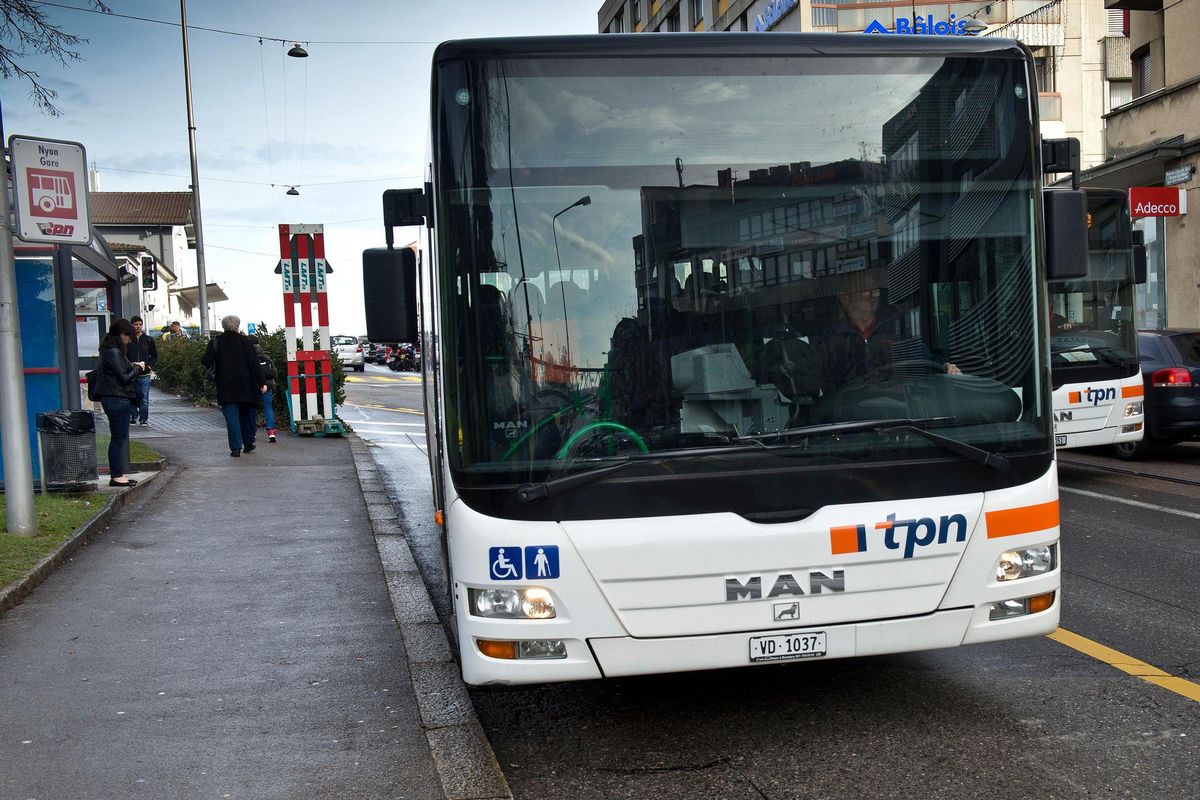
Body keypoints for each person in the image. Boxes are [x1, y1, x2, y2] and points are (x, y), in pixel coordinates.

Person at [821, 276, 960, 390]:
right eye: (866, 289)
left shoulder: (896, 326)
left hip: (896, 405)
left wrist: (945, 366)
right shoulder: (832, 336)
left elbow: (924, 358)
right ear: (844, 297)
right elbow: (821, 380)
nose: (873, 295)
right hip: (850, 409)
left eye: (875, 289)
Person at [202, 315, 266, 457]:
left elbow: (206, 361)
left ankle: (235, 448)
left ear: (223, 327)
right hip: (247, 385)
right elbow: (254, 364)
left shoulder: (215, 342)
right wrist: (262, 382)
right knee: (248, 416)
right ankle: (249, 443)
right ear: (237, 326)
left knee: (232, 418)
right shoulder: (246, 342)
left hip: (226, 386)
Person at [95, 318, 146, 487]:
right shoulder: (113, 352)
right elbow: (124, 377)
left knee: (119, 437)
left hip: (114, 398)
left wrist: (131, 365)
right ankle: (116, 475)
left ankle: (118, 474)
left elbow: (119, 372)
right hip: (117, 398)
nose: (130, 340)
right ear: (122, 335)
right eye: (129, 336)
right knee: (118, 438)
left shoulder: (109, 351)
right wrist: (138, 368)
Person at [127, 315, 158, 427]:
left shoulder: (148, 340)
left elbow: (154, 355)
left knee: (144, 397)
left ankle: (143, 418)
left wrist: (150, 366)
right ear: (131, 325)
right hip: (131, 373)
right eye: (135, 324)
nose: (138, 326)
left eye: (140, 324)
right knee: (132, 396)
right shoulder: (128, 339)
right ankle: (133, 417)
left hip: (145, 374)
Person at [248, 334, 279, 443]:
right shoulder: (266, 357)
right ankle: (271, 433)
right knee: (268, 407)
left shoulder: (247, 355)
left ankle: (252, 432)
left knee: (252, 409)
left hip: (253, 386)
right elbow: (274, 372)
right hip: (267, 385)